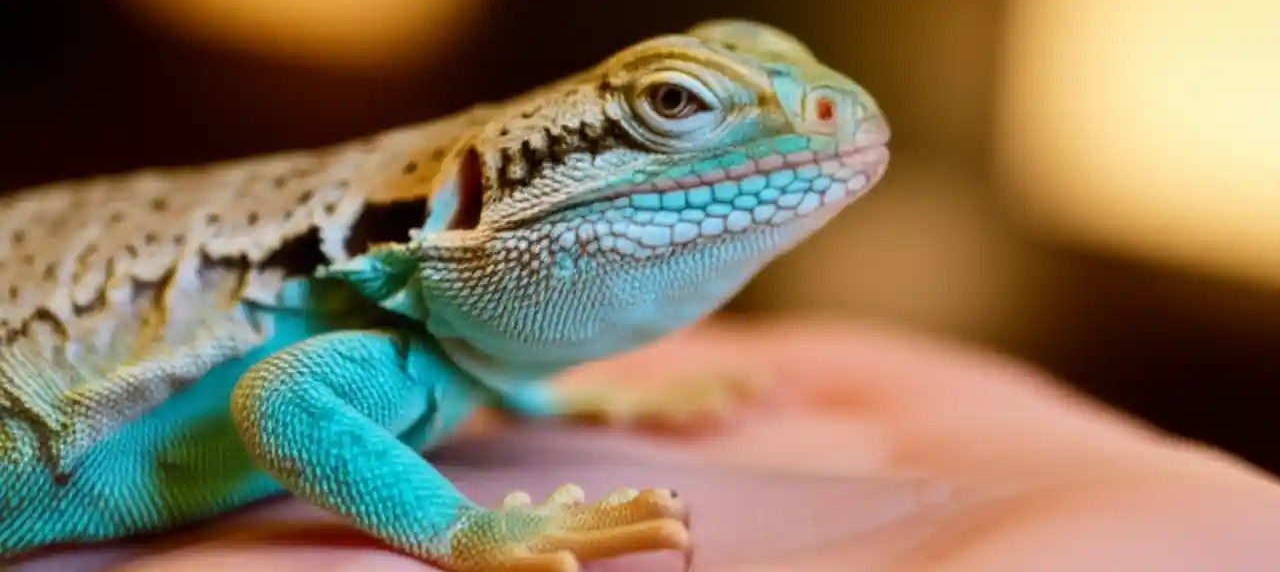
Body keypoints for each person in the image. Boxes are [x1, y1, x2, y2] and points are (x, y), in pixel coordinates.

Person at [29, 319, 1280, 571]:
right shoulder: (354, 343)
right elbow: (287, 408)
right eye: (671, 111)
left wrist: (559, 401)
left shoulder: (444, 352)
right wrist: (473, 528)